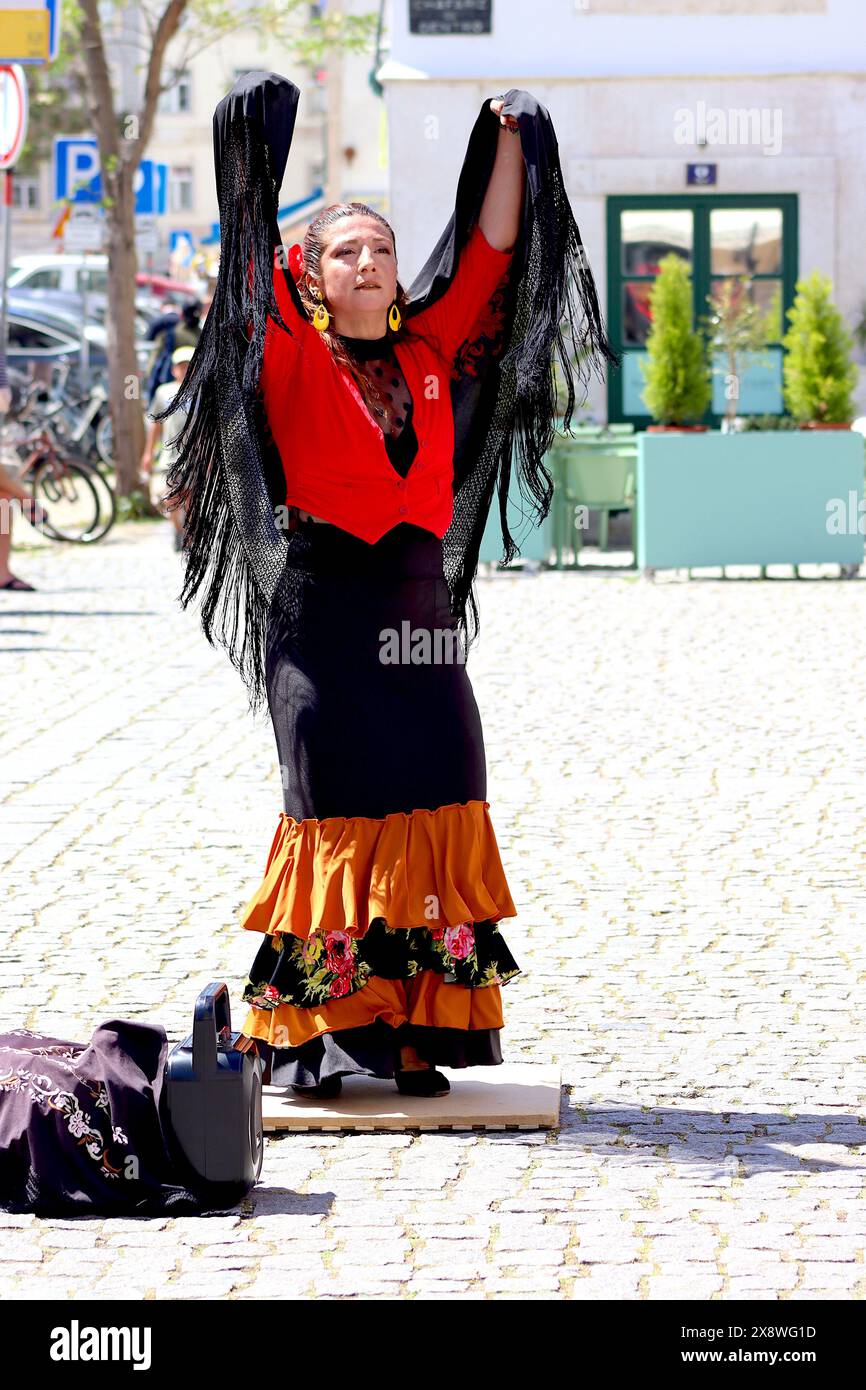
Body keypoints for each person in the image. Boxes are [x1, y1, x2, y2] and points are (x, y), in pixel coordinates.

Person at [158, 71, 619, 1102]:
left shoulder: (428, 345)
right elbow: (241, 264)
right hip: (320, 619)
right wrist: (255, 141)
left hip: (417, 625)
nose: (367, 262)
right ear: (313, 276)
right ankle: (317, 1041)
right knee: (331, 816)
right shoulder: (285, 349)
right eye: (345, 252)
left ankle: (415, 1039)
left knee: (441, 797)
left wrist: (509, 135)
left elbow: (493, 250)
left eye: (380, 249)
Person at [140, 344, 194, 549]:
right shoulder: (164, 392)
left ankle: (189, 532)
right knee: (172, 496)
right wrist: (148, 453)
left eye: (189, 365)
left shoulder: (201, 390)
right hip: (170, 455)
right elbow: (155, 424)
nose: (185, 370)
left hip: (195, 455)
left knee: (191, 496)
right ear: (174, 370)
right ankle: (177, 529)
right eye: (181, 366)